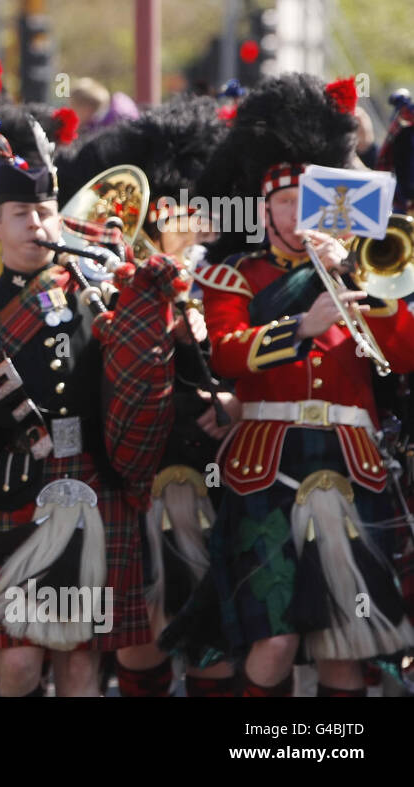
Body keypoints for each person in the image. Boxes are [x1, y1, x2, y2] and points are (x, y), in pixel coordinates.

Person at [0, 105, 182, 696]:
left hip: (93, 487)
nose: (37, 223)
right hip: (14, 491)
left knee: (80, 663)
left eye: (44, 211)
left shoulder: (98, 298)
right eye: (21, 213)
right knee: (18, 663)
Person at [163, 74, 414, 696]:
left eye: (308, 200)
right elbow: (226, 352)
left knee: (344, 645)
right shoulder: (233, 275)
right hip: (265, 463)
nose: (296, 214)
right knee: (273, 641)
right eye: (282, 202)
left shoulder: (362, 269)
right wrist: (302, 324)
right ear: (262, 207)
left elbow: (404, 353)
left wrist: (359, 279)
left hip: (352, 464)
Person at [55, 95, 241, 696]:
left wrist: (235, 398)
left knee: (213, 636)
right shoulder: (111, 274)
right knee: (140, 634)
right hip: (133, 470)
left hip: (214, 466)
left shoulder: (225, 274)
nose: (191, 221)